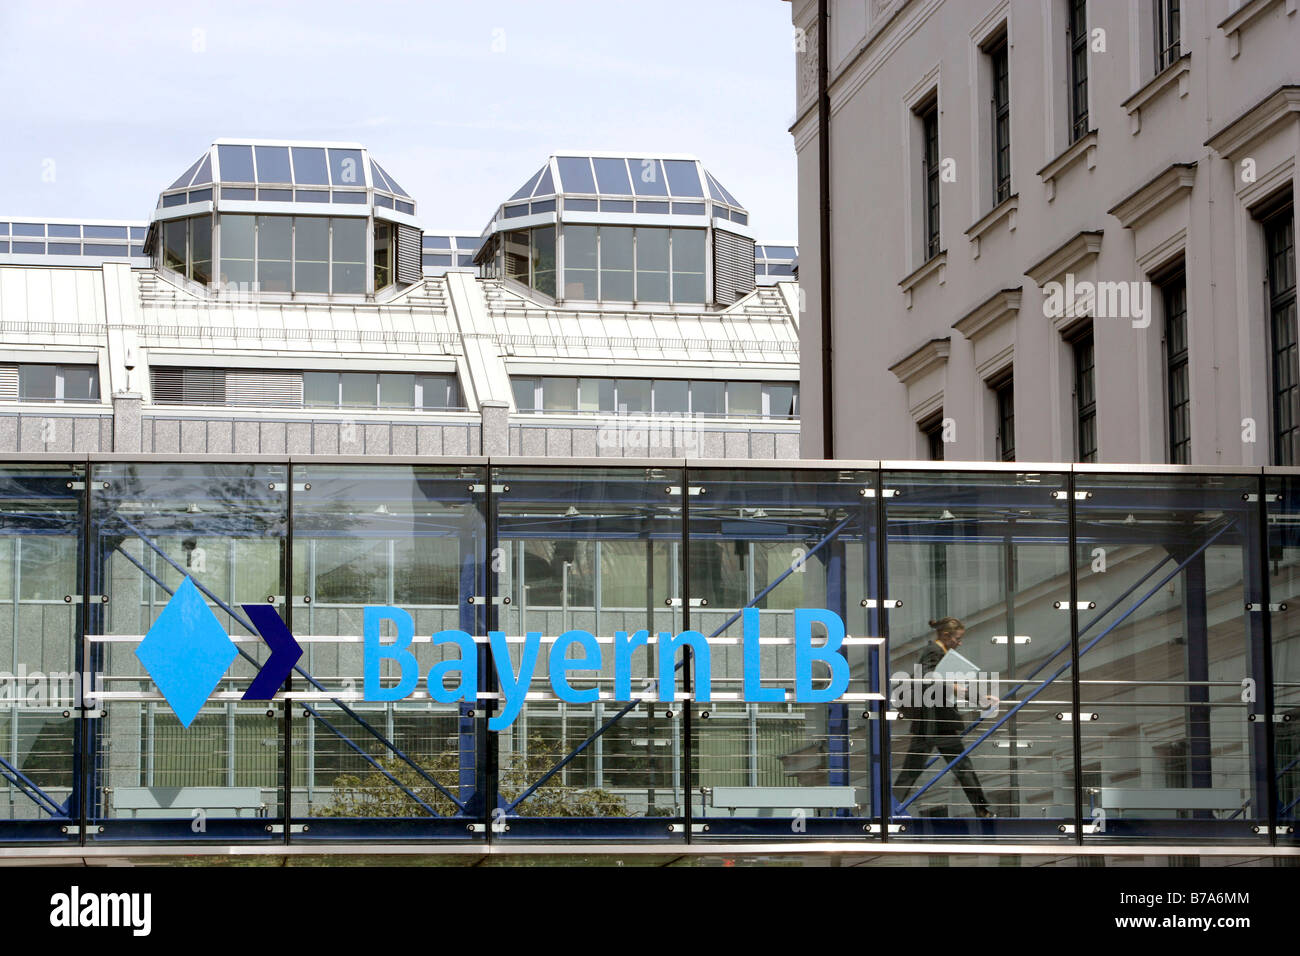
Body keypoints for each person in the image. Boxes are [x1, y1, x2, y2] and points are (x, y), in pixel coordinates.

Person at [892, 617, 994, 818]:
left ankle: (982, 809)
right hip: (934, 722)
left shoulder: (941, 653)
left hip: (934, 721)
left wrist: (977, 697)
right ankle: (982, 810)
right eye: (957, 638)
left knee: (917, 769)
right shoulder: (934, 651)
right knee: (957, 767)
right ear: (946, 636)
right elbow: (931, 678)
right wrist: (969, 694)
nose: (960, 642)